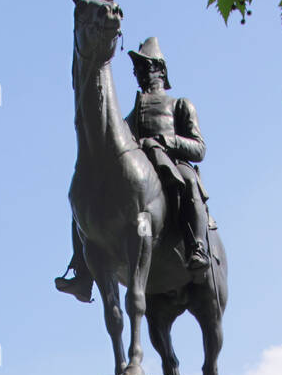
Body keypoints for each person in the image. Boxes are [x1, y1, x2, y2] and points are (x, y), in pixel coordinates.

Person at [55, 36, 212, 301]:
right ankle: (82, 273)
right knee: (83, 198)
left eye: (146, 67)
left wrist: (165, 141)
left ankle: (197, 247)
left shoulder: (180, 105)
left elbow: (199, 148)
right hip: (138, 178)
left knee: (189, 180)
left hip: (171, 166)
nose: (140, 74)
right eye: (137, 69)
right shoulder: (129, 116)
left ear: (161, 70)